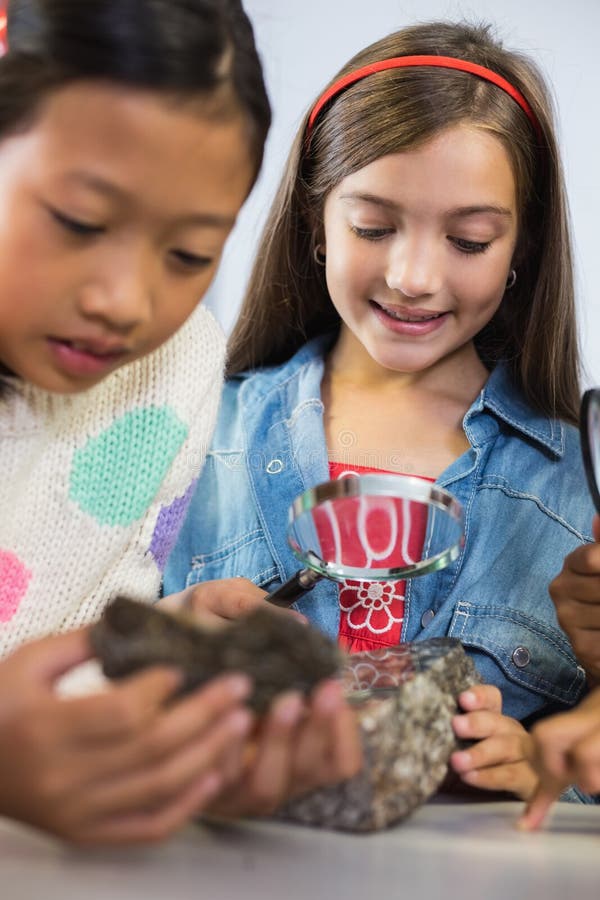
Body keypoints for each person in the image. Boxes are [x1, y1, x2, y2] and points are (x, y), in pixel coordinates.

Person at [163, 19, 597, 804]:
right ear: (317, 221)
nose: (413, 276)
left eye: (468, 241)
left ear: (520, 250)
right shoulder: (194, 437)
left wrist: (540, 768)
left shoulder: (575, 496)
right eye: (374, 227)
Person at [0, 0, 361, 844]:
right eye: (81, 222)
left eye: (190, 254)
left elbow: (50, 627)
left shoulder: (175, 366)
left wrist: (162, 676)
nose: (124, 303)